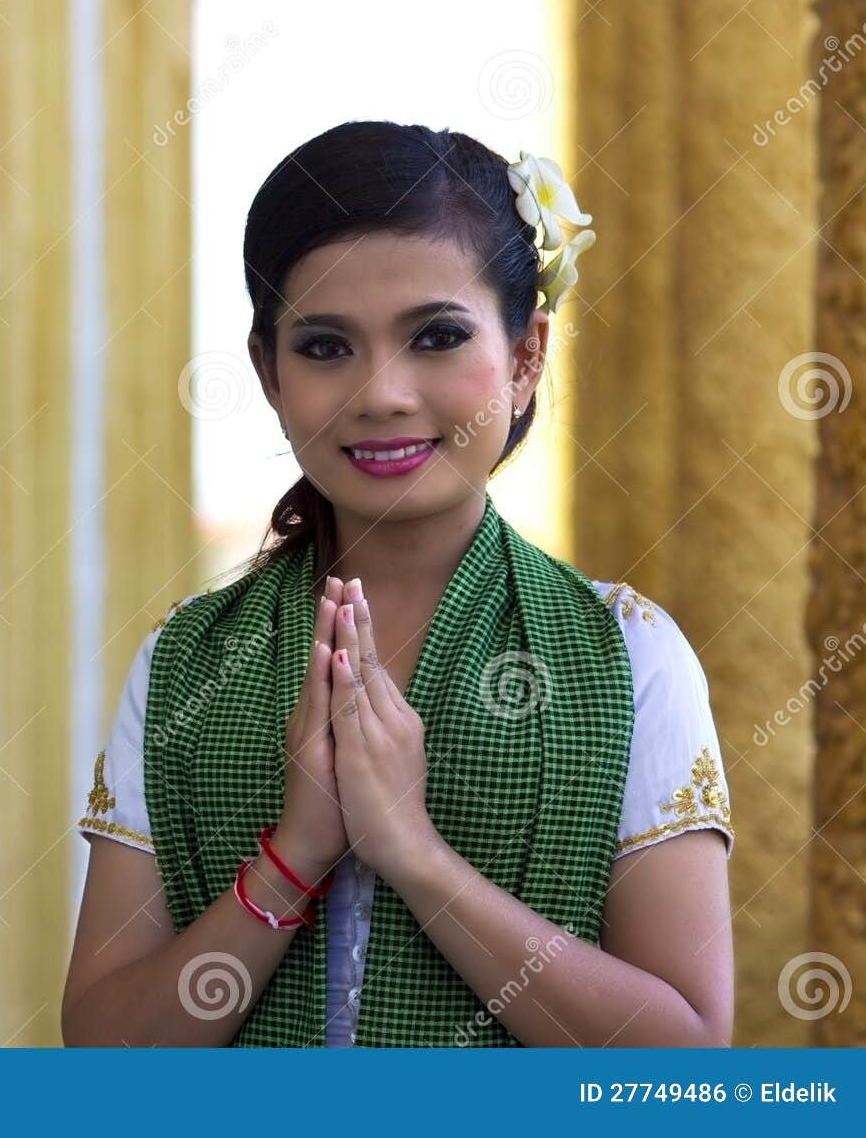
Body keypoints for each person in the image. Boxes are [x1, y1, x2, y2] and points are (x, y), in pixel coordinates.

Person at [60, 120, 734, 1048]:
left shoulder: (629, 655)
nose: (380, 392)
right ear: (268, 373)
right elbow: (105, 1054)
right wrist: (293, 857)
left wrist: (412, 852)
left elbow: (684, 1065)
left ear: (528, 355)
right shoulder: (186, 662)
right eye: (325, 347)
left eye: (437, 335)